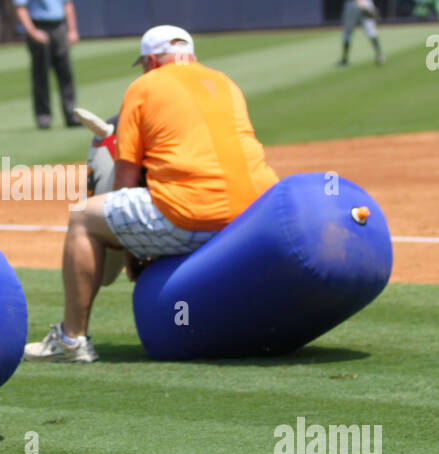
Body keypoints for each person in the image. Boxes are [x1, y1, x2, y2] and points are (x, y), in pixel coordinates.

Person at [23, 25, 279, 363]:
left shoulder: (143, 86)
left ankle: (71, 340)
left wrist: (131, 242)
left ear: (151, 61)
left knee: (84, 217)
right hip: (253, 218)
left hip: (190, 214)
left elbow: (125, 180)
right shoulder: (225, 83)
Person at [13, 0, 81, 129]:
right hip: (39, 26)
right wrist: (32, 31)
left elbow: (68, 3)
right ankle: (44, 117)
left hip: (58, 26)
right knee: (41, 74)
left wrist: (72, 29)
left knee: (65, 73)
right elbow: (20, 7)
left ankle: (71, 114)